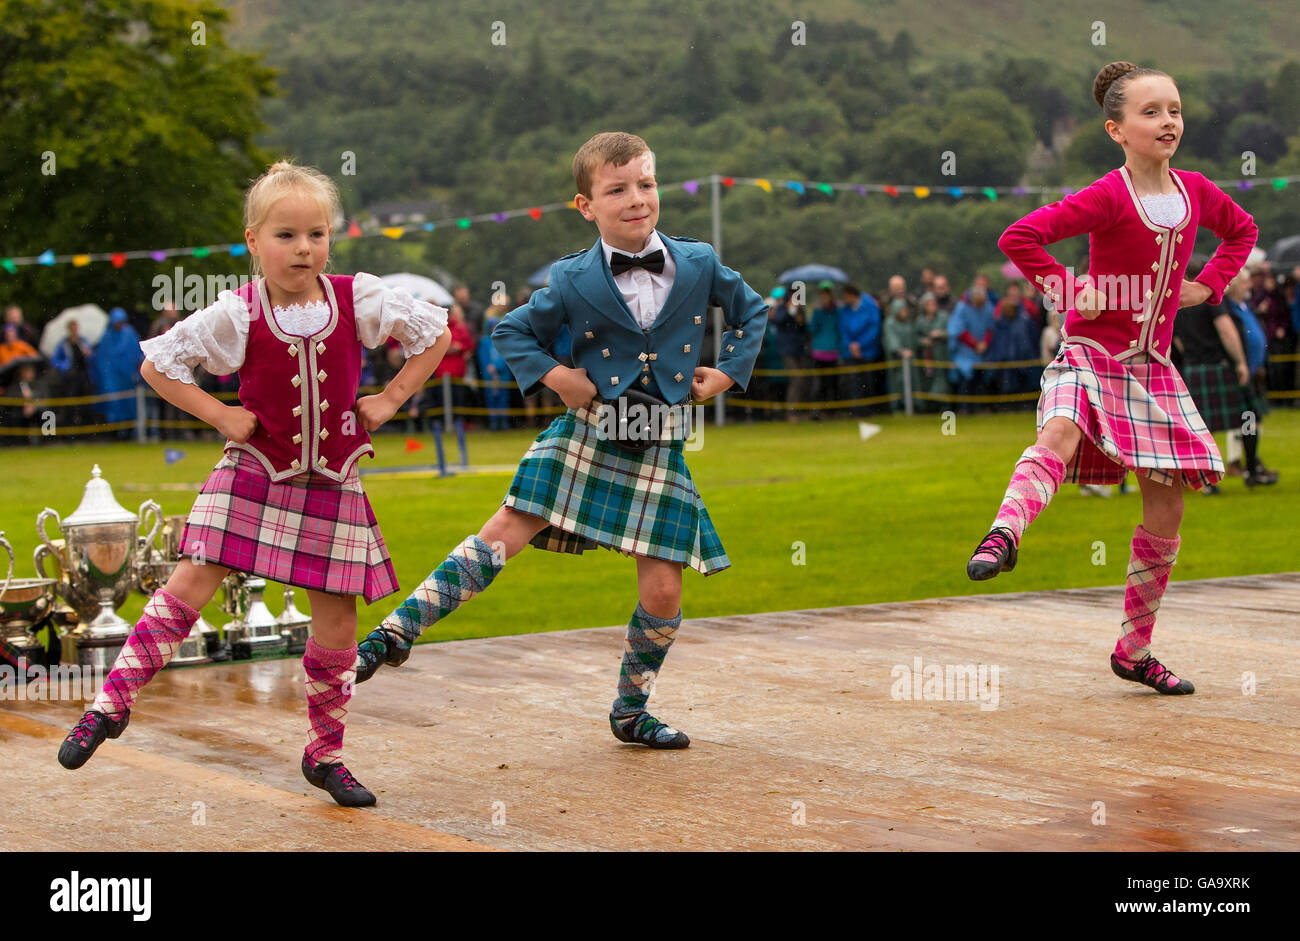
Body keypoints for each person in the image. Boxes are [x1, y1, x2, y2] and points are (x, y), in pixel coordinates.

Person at [352, 132, 767, 749]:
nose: (636, 199)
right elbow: (512, 331)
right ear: (586, 205)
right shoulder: (571, 278)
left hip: (660, 447)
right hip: (586, 435)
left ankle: (631, 711)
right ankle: (393, 635)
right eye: (617, 189)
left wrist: (728, 372)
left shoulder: (699, 261)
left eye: (646, 185)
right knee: (500, 536)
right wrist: (559, 376)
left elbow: (752, 311)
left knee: (664, 588)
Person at [57, 161, 452, 807]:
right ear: (253, 241)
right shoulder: (237, 312)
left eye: (317, 234)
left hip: (332, 480)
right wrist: (219, 414)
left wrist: (391, 397)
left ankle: (325, 754)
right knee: (189, 580)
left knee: (336, 619)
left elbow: (434, 334)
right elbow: (159, 365)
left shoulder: (359, 298)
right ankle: (111, 704)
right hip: (254, 473)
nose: (304, 248)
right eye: (287, 235)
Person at [965, 61, 1257, 695]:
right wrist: (1070, 287)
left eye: (1174, 110)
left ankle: (1134, 651)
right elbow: (1020, 237)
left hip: (1151, 370)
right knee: (1061, 431)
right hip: (1090, 353)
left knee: (1167, 502)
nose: (1168, 121)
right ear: (1116, 129)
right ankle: (1003, 534)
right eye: (1150, 112)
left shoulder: (1197, 192)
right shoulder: (1106, 195)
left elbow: (1241, 231)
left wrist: (1208, 286)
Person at [1176, 265, 1278, 490]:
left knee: (1201, 428)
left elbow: (1177, 341)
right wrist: (1241, 362)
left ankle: (1206, 481)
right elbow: (1226, 330)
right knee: (1249, 415)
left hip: (1194, 368)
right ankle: (1251, 469)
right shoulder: (1209, 298)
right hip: (1220, 368)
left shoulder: (1177, 302)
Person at [89, 308, 144, 436]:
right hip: (112, 379)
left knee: (129, 405)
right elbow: (101, 360)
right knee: (114, 404)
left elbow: (137, 354)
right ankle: (116, 432)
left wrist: (136, 373)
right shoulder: (107, 337)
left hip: (127, 378)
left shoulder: (129, 334)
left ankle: (129, 431)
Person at [947, 283, 996, 408]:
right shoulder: (962, 308)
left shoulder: (988, 307)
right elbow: (959, 330)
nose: (979, 307)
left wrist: (984, 343)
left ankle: (979, 407)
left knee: (981, 380)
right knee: (966, 379)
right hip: (965, 352)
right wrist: (975, 345)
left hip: (983, 352)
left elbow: (990, 328)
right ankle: (964, 407)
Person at [839, 283, 881, 416]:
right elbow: (842, 330)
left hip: (867, 352)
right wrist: (851, 345)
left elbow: (874, 329)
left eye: (845, 295)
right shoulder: (845, 310)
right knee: (853, 381)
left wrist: (860, 345)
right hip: (850, 353)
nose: (843, 298)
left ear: (852, 295)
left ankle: (869, 409)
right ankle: (856, 410)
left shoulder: (870, 307)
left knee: (868, 380)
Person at [478, 295, 514, 430]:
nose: (494, 329)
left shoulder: (504, 340)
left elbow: (506, 357)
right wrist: (490, 369)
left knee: (503, 398)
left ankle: (503, 423)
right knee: (491, 398)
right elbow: (483, 357)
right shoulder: (484, 342)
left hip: (503, 374)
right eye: (492, 326)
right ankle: (493, 423)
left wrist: (497, 367)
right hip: (488, 375)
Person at [882, 292, 919, 411]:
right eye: (902, 310)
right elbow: (891, 339)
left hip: (910, 361)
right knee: (897, 385)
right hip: (896, 362)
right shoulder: (890, 322)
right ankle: (897, 407)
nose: (904, 312)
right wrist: (900, 350)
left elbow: (914, 338)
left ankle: (914, 406)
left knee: (911, 384)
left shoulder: (908, 323)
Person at [808, 284, 841, 416]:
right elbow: (811, 329)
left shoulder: (837, 312)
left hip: (833, 352)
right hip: (819, 352)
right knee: (820, 384)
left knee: (833, 383)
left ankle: (831, 410)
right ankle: (820, 410)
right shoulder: (818, 312)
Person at [914, 292, 951, 410]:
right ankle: (929, 406)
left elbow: (951, 332)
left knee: (942, 382)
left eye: (934, 304)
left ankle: (944, 406)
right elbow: (914, 338)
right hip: (927, 357)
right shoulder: (920, 320)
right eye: (929, 304)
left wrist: (940, 334)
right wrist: (923, 341)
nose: (932, 306)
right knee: (927, 381)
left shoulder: (943, 317)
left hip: (941, 355)